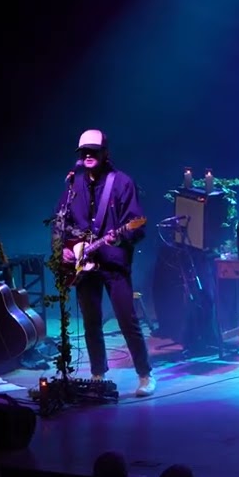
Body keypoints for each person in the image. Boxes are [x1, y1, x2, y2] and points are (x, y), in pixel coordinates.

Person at [53, 129, 154, 396]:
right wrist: (65, 249)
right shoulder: (74, 183)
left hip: (113, 263)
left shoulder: (121, 183)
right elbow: (62, 221)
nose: (87, 155)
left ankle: (145, 375)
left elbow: (138, 224)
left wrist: (120, 238)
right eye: (83, 151)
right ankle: (98, 374)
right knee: (90, 321)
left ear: (105, 153)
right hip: (83, 264)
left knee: (126, 319)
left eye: (93, 151)